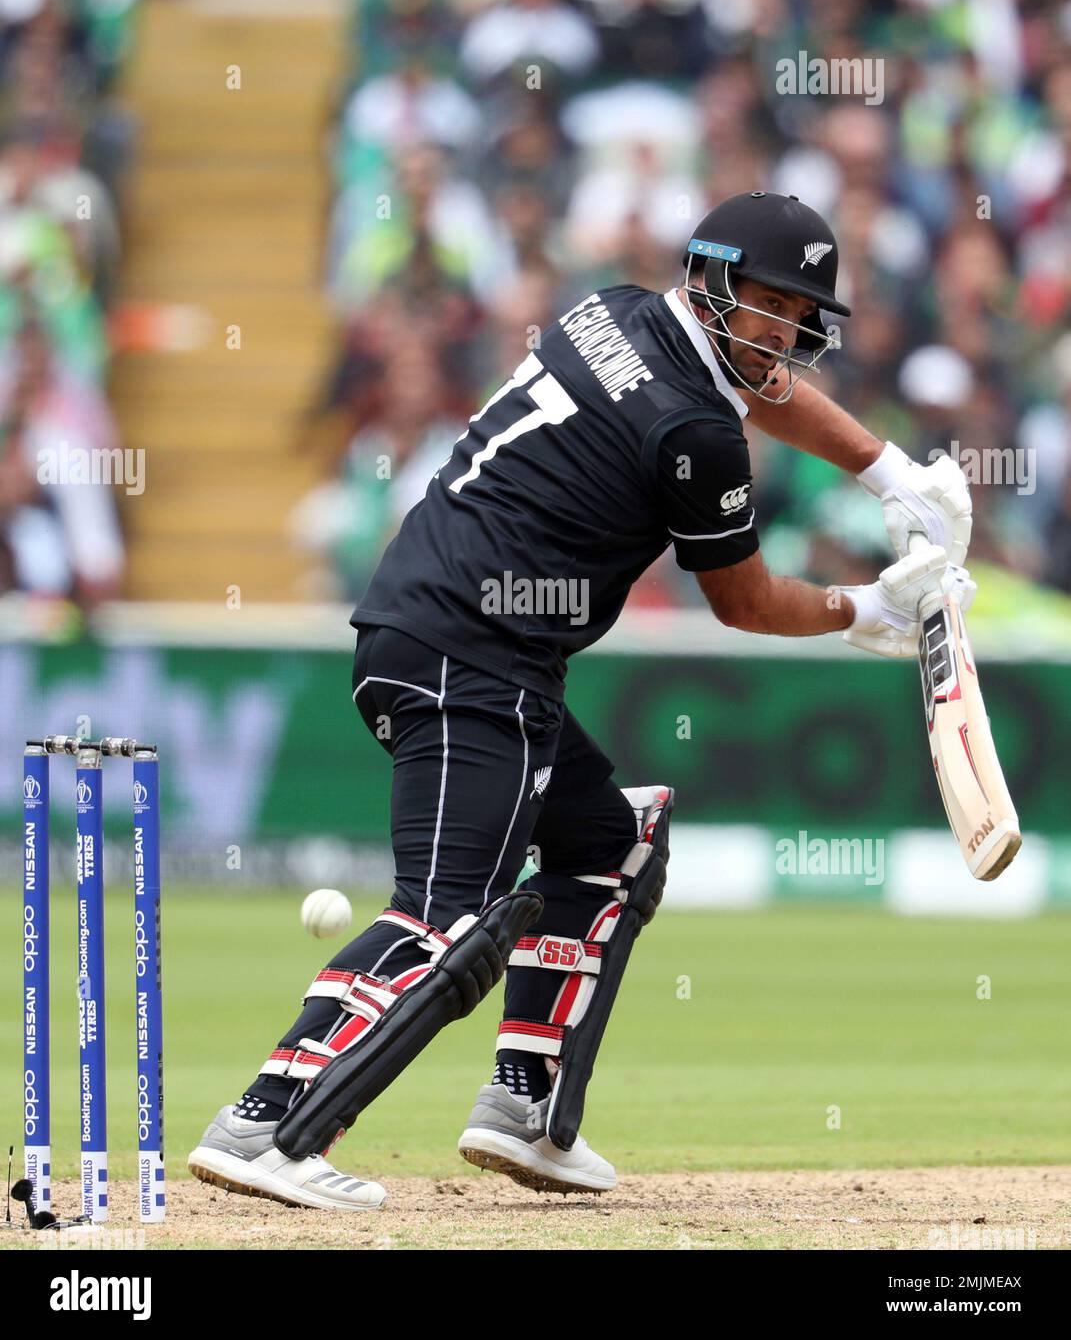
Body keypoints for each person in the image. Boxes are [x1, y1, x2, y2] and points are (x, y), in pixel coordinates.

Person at [188, 192, 973, 1210]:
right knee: (444, 917)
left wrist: (890, 473)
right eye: (766, 303)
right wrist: (862, 608)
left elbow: (750, 384)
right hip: (470, 659)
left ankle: (524, 1107)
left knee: (609, 840)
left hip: (437, 640)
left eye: (797, 313)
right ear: (712, 279)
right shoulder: (696, 434)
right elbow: (739, 600)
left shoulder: (615, 312)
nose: (781, 332)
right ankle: (267, 1121)